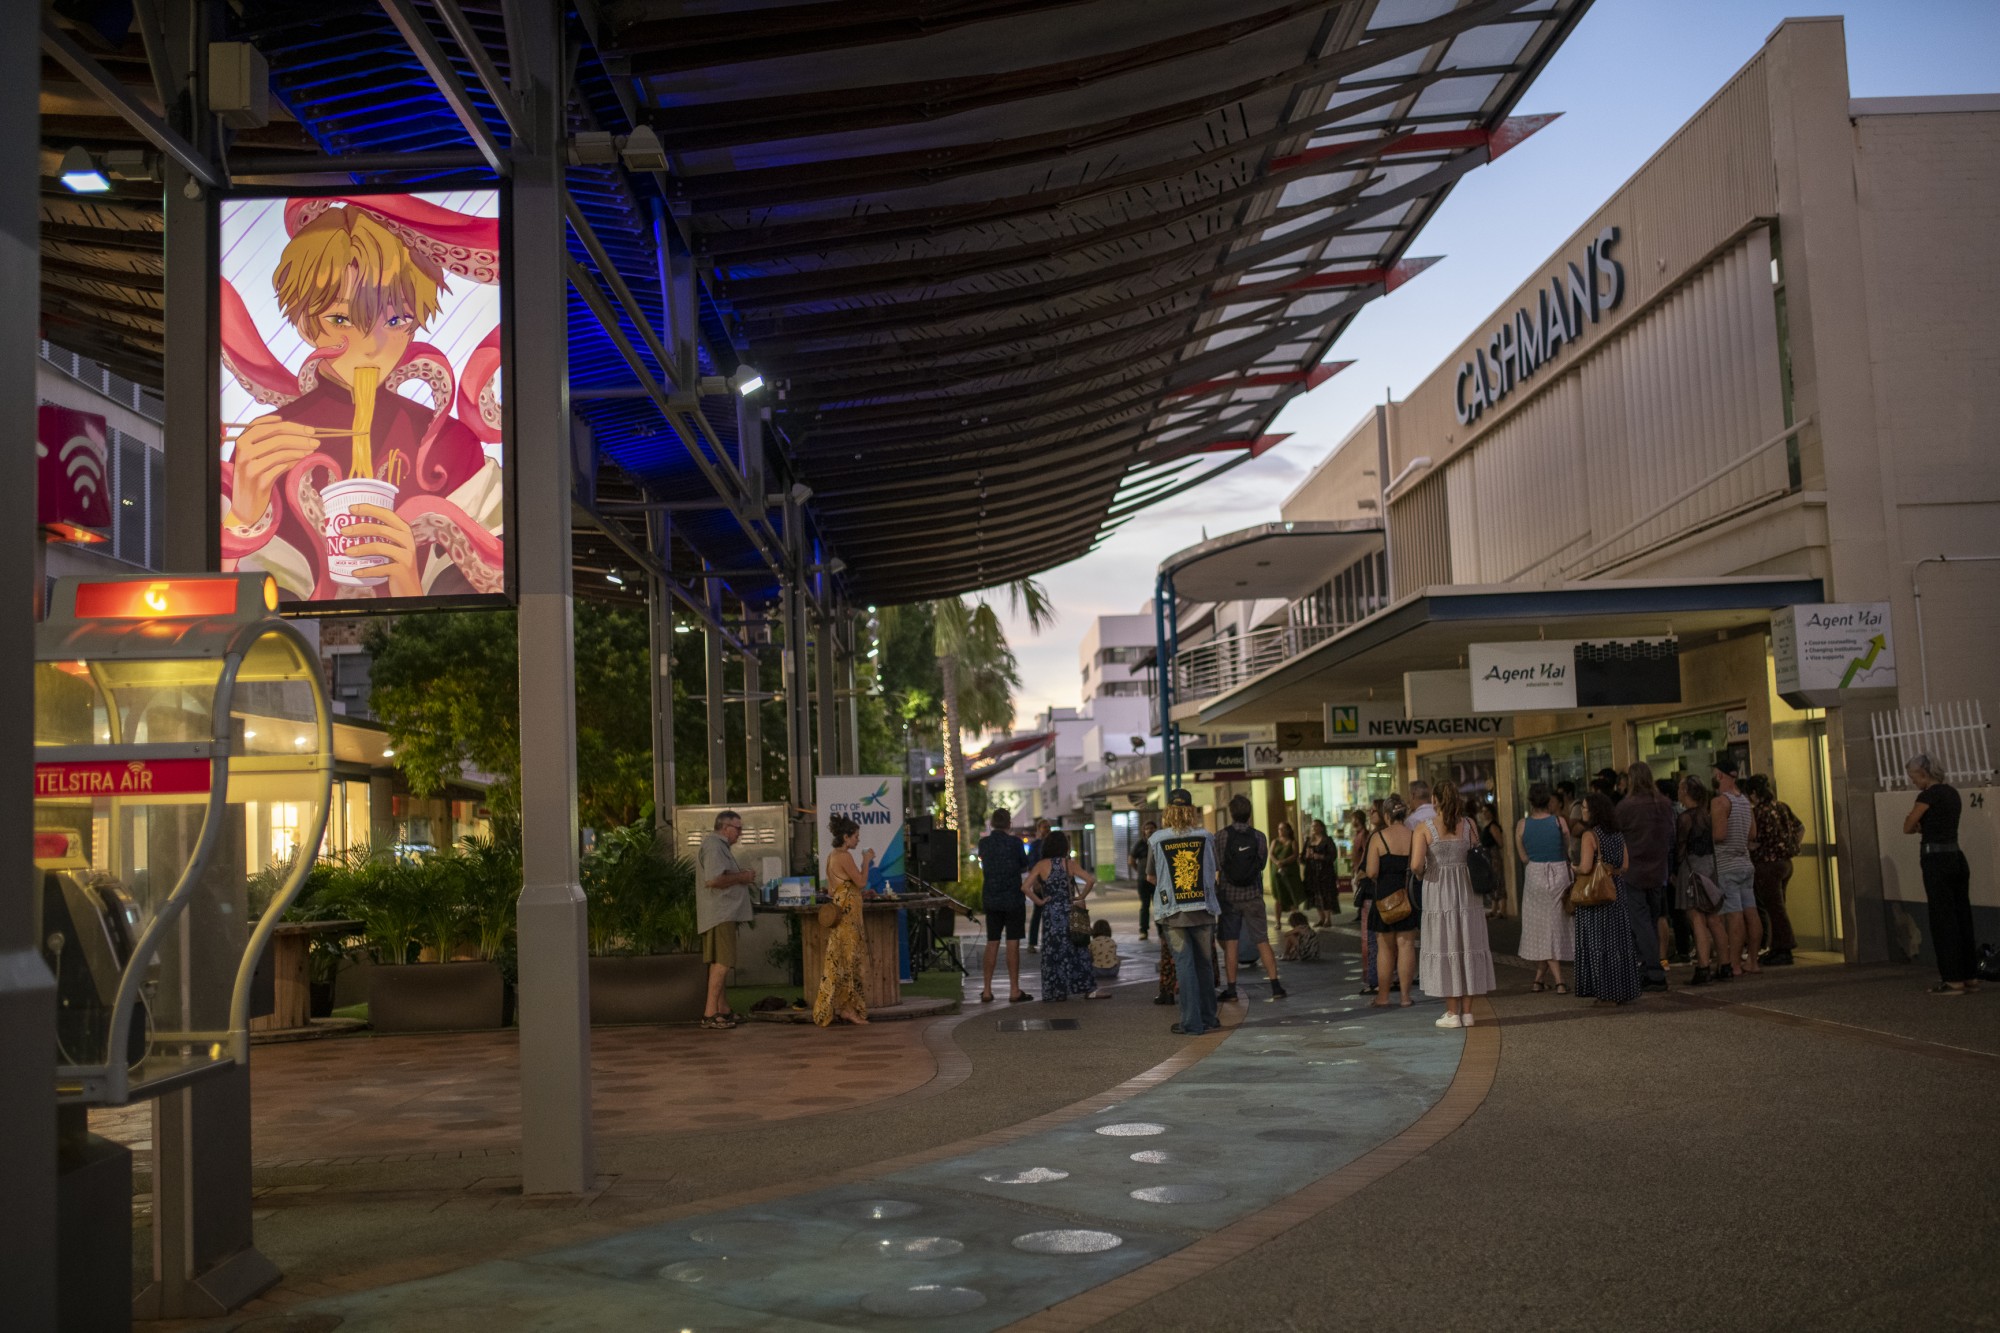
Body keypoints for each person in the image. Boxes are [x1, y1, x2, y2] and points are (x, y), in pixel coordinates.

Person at [1414, 780, 1497, 1028]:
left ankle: (1452, 1013)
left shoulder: (1423, 828)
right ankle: (1468, 1012)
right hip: (1467, 891)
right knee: (1467, 945)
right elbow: (1476, 853)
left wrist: (1422, 874)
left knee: (1446, 944)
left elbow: (1416, 865)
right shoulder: (1469, 824)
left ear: (1435, 801)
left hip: (1439, 890)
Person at [1149, 789, 1223, 1035]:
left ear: (1168, 811)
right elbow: (1214, 870)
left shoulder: (1157, 839)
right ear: (1191, 811)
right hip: (1202, 909)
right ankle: (1209, 1017)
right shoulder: (1206, 837)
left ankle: (1191, 1022)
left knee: (1185, 965)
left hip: (1173, 912)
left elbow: (1151, 875)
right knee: (1204, 964)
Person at [1903, 754, 1978, 994]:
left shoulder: (1927, 796)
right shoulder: (1952, 793)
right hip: (1956, 857)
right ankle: (1969, 976)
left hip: (1936, 859)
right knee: (1961, 915)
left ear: (1922, 774)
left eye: (1913, 777)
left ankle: (1952, 979)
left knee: (1942, 918)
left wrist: (1915, 823)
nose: (1913, 781)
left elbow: (1908, 826)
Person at [1216, 794, 1288, 1001]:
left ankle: (1231, 990)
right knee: (1262, 939)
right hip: (1253, 896)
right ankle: (1275, 986)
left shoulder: (1220, 836)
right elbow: (1262, 864)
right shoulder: (1259, 836)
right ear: (1249, 814)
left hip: (1229, 897)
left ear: (1231, 813)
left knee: (1231, 943)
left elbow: (1217, 864)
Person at [1573, 792, 1640, 1006]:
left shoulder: (1590, 836)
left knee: (1597, 943)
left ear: (1594, 811)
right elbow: (1626, 865)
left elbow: (1585, 867)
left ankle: (1605, 993)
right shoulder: (1617, 834)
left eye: (1585, 808)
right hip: (1616, 891)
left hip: (1596, 896)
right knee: (1618, 943)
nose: (1583, 811)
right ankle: (1623, 990)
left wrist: (1573, 868)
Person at [1024, 830, 1107, 1002]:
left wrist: (1039, 902)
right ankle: (1085, 988)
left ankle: (1056, 991)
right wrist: (1080, 897)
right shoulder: (1069, 864)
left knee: (1053, 951)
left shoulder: (1041, 865)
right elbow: (1090, 880)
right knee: (1077, 947)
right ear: (1064, 847)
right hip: (1069, 911)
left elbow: (1025, 887)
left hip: (1050, 912)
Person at [1616, 760, 1675, 992]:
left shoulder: (1626, 806)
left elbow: (1616, 834)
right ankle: (1648, 967)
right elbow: (1671, 835)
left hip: (1633, 871)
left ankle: (1653, 971)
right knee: (1651, 919)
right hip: (1658, 870)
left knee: (1640, 922)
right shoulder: (1664, 803)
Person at [696, 810, 757, 1030]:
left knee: (718, 962)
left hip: (720, 913)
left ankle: (722, 1009)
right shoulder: (714, 846)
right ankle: (710, 1013)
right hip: (721, 913)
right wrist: (743, 877)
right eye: (738, 828)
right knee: (723, 963)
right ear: (724, 828)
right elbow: (713, 880)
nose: (740, 833)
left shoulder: (718, 846)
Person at [814, 813, 873, 1026]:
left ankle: (842, 1006)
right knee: (849, 962)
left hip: (842, 912)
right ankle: (848, 1009)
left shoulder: (831, 856)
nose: (858, 840)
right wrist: (866, 861)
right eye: (855, 836)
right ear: (846, 837)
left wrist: (855, 893)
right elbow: (861, 881)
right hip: (848, 919)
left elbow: (833, 889)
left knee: (840, 961)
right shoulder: (845, 856)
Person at [1516, 783, 1573, 993]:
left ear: (1530, 802)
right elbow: (1568, 848)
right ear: (1549, 801)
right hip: (1559, 872)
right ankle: (1557, 980)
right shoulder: (1560, 822)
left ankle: (1542, 980)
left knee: (1542, 927)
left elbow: (1523, 857)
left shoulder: (1522, 825)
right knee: (1555, 924)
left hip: (1535, 875)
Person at [1365, 795, 1419, 1008]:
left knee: (1385, 948)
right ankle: (1405, 997)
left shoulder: (1379, 838)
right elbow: (1419, 867)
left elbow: (1371, 871)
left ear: (1386, 815)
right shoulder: (1414, 836)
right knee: (1406, 946)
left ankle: (1383, 996)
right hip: (1407, 896)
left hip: (1384, 899)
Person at [976, 808, 1033, 1004]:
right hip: (1013, 898)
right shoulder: (1015, 843)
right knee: (1013, 942)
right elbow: (1024, 866)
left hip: (991, 898)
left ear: (991, 823)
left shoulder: (984, 843)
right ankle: (1014, 990)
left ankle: (986, 990)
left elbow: (983, 861)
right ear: (1009, 824)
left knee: (992, 941)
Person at [1710, 757, 1760, 977]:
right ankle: (1753, 961)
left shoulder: (1720, 802)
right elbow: (1753, 834)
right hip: (1746, 864)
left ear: (1719, 775)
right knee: (1751, 912)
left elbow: (1719, 835)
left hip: (1727, 865)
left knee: (1734, 915)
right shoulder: (1744, 801)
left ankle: (1735, 964)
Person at [1745, 774, 1803, 966]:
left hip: (1767, 865)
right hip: (1786, 863)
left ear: (1753, 793)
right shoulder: (1781, 806)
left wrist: (1752, 847)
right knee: (1779, 905)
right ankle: (1778, 947)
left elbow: (1753, 839)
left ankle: (1784, 948)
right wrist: (1792, 845)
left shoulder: (1759, 813)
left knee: (1774, 908)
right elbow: (1800, 827)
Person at [1676, 774, 1726, 985]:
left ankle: (1703, 967)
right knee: (1713, 918)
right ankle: (1725, 965)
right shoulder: (1707, 815)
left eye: (1680, 787)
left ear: (1686, 792)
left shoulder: (1686, 818)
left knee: (1696, 918)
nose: (1678, 791)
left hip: (1692, 870)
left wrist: (1674, 870)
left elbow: (1680, 848)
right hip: (1709, 868)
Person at [1352, 805, 1383, 994]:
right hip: (1392, 893)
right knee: (1393, 941)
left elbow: (1368, 868)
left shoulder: (1374, 837)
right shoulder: (1401, 834)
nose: (1370, 814)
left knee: (1371, 939)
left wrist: (1359, 875)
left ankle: (1374, 979)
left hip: (1372, 892)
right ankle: (1391, 980)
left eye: (1374, 811)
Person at [1303, 817, 1339, 927]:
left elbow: (1333, 855)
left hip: (1325, 873)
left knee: (1326, 895)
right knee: (1315, 896)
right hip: (1312, 873)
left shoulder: (1327, 840)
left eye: (1316, 826)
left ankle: (1328, 918)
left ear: (1321, 828)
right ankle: (1321, 918)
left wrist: (1320, 856)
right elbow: (1302, 858)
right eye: (1312, 826)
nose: (1313, 828)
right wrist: (1306, 856)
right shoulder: (1309, 841)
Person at [1474, 801, 1507, 918]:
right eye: (1482, 812)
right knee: (1493, 880)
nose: (1483, 814)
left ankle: (1502, 909)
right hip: (1488, 855)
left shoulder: (1492, 826)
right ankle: (1494, 908)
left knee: (1498, 880)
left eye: (1486, 811)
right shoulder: (1486, 825)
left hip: (1493, 855)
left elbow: (1500, 842)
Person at [1129, 820, 1158, 941]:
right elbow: (1131, 861)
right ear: (1143, 831)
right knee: (1145, 905)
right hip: (1143, 880)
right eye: (1147, 828)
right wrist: (1141, 872)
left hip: (1157, 880)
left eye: (1152, 828)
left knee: (1159, 906)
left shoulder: (1159, 843)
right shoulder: (1139, 844)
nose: (1150, 830)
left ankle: (1161, 931)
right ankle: (1143, 931)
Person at [1025, 817, 1052, 951]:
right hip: (1040, 882)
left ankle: (1047, 941)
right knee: (1038, 912)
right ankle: (1032, 943)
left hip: (1052, 882)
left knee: (1049, 913)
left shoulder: (1053, 843)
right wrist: (1035, 881)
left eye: (1048, 826)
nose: (1047, 829)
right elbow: (1031, 865)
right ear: (1039, 829)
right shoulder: (1035, 845)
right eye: (1044, 827)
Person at [1270, 822, 1304, 919]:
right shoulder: (1275, 841)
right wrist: (1277, 862)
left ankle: (1296, 920)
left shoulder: (1293, 842)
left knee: (1292, 895)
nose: (1280, 831)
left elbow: (1295, 855)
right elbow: (1271, 854)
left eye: (1283, 829)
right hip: (1277, 871)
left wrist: (1283, 861)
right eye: (1279, 829)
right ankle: (1278, 921)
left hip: (1290, 871)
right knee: (1279, 897)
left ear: (1288, 830)